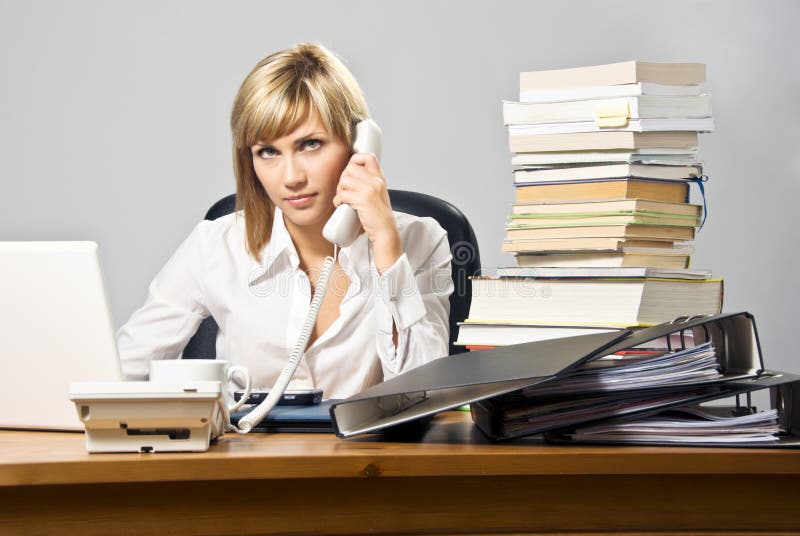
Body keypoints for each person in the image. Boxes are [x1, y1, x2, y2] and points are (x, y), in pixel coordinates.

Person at [117, 43, 453, 399]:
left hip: (365, 456)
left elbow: (427, 394)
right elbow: (120, 372)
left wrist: (387, 247)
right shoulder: (215, 246)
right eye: (268, 152)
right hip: (246, 454)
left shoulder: (422, 242)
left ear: (358, 146)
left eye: (310, 144)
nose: (291, 177)